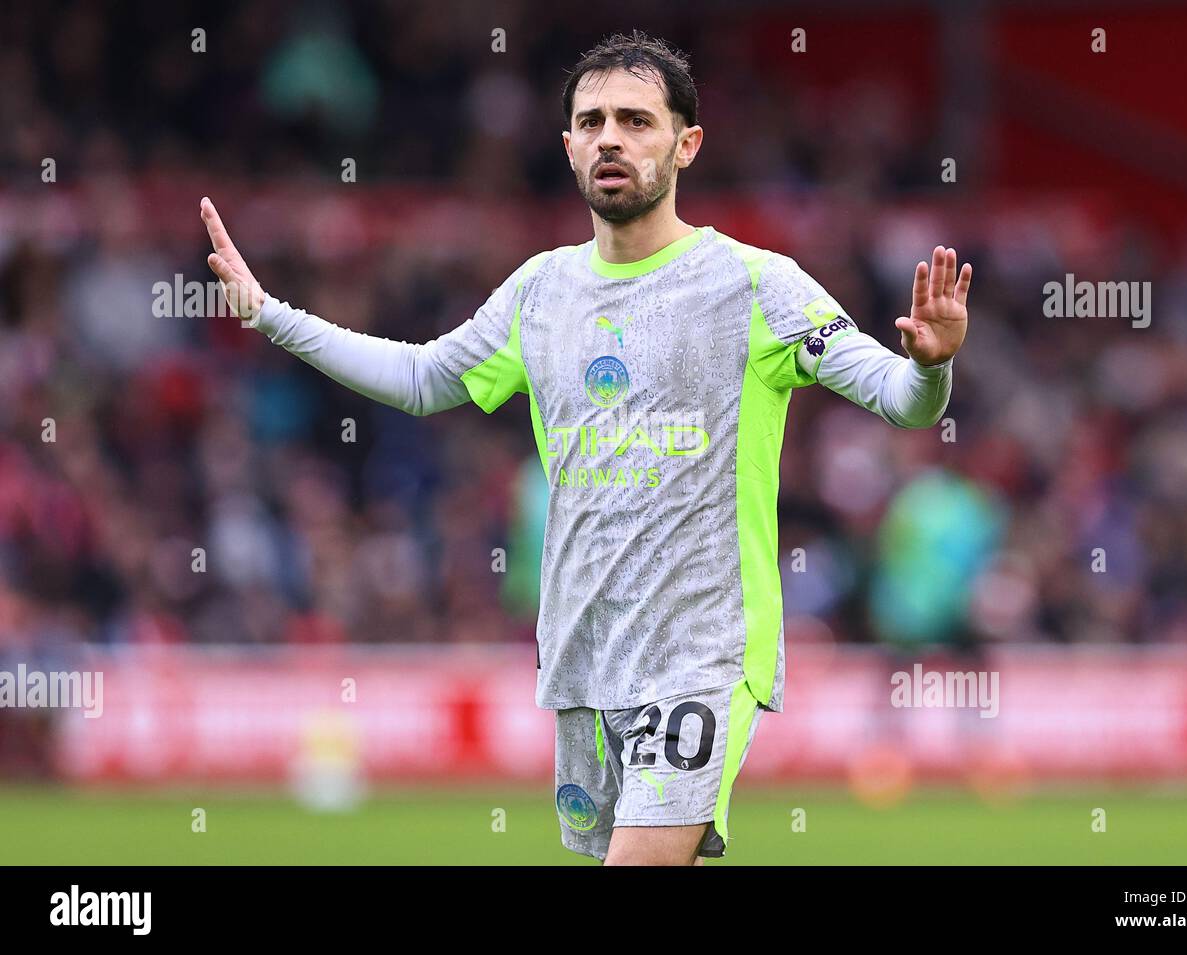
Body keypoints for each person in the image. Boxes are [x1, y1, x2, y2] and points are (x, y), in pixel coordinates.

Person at [200, 30, 972, 866]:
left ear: (687, 145)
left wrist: (932, 367)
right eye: (592, 120)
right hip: (583, 652)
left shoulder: (757, 284)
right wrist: (270, 314)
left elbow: (901, 402)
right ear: (567, 145)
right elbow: (424, 378)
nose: (611, 137)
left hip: (703, 647)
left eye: (637, 121)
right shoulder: (540, 291)